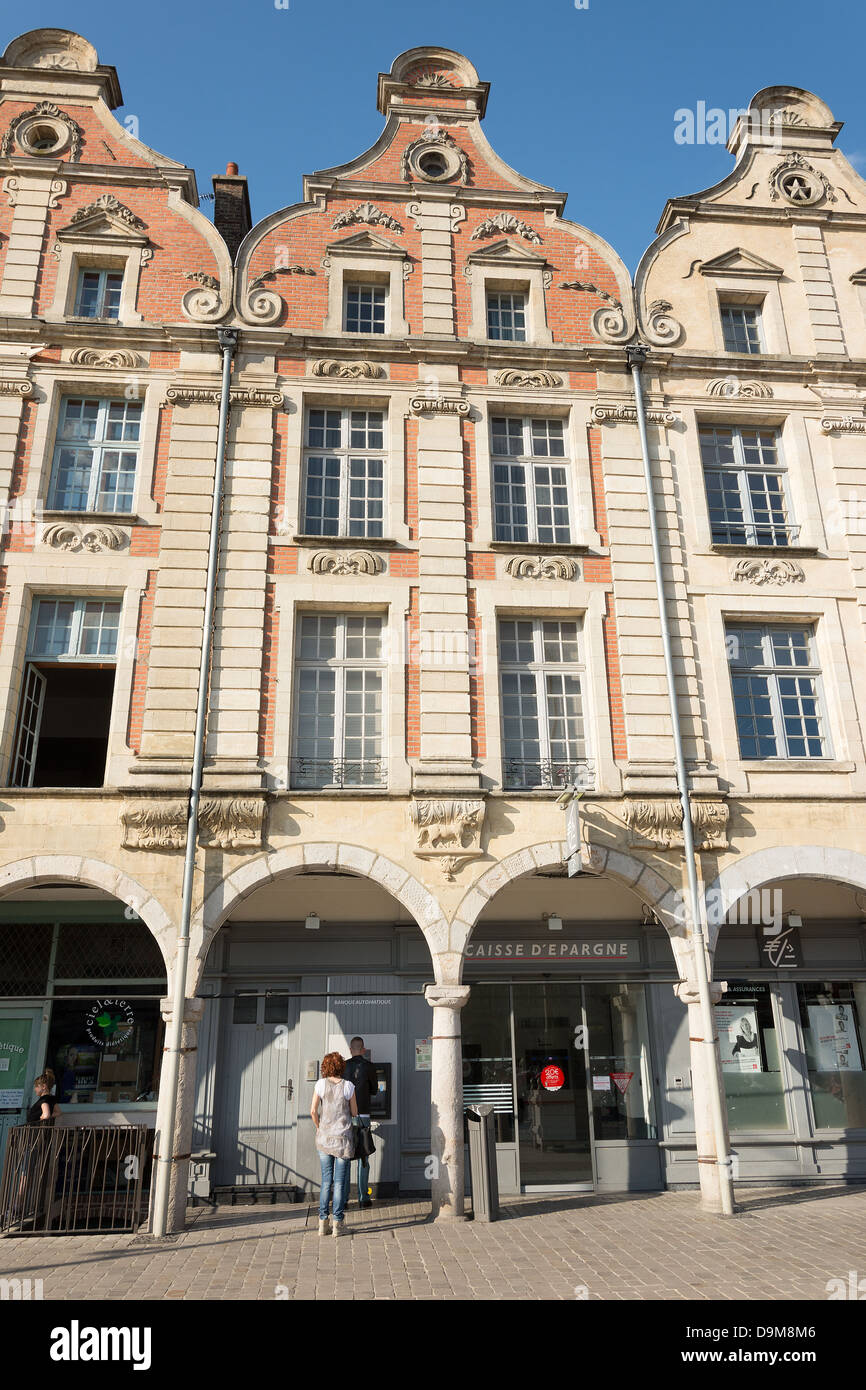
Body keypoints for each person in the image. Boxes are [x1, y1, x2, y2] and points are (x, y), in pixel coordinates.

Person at [310, 1051, 357, 1237]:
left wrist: (319, 1127)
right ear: (341, 1067)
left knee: (326, 1181)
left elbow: (313, 1110)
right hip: (343, 1140)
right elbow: (354, 1112)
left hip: (324, 1139)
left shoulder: (320, 1084)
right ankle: (338, 1223)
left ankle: (323, 1223)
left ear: (326, 1067)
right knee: (339, 1183)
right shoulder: (348, 1086)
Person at [343, 1036, 378, 1209]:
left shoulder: (343, 1066)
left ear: (351, 1049)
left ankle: (343, 1199)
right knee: (363, 1156)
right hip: (363, 1115)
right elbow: (374, 1090)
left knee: (346, 1156)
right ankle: (364, 1197)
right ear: (363, 1049)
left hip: (346, 1116)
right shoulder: (370, 1067)